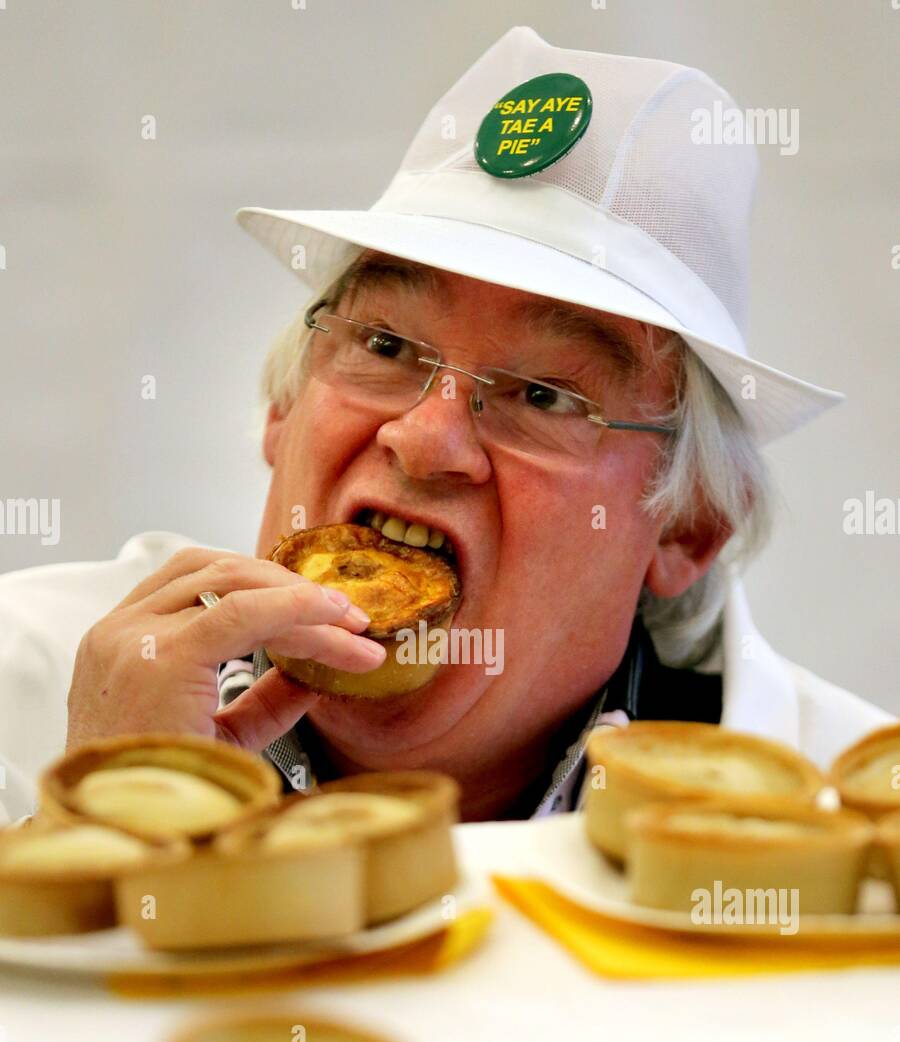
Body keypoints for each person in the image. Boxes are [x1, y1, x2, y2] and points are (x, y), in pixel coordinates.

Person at [0, 27, 892, 826]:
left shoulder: (852, 827)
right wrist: (98, 832)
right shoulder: (23, 690)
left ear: (688, 526)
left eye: (545, 396)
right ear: (283, 409)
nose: (424, 441)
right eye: (385, 344)